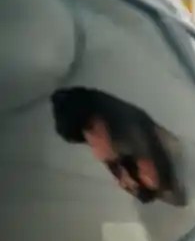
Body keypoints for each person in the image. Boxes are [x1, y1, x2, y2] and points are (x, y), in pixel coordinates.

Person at [51, 86, 187, 206]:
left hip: (146, 141)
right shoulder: (103, 145)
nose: (94, 137)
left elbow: (150, 145)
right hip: (134, 151)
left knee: (169, 151)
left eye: (91, 127)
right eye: (88, 131)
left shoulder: (131, 127)